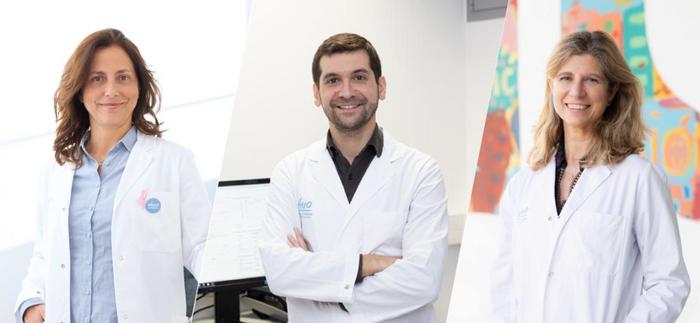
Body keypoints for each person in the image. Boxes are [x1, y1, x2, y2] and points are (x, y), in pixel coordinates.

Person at [490, 30, 690, 323]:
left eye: (592, 80)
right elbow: (504, 285)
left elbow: (670, 283)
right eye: (566, 78)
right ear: (552, 85)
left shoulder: (638, 179)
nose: (576, 92)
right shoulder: (524, 184)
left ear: (611, 93)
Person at [14, 28, 211, 323]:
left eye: (123, 77)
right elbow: (45, 255)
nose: (111, 90)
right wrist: (31, 303)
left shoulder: (174, 162)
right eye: (97, 79)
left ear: (139, 87)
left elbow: (201, 247)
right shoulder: (57, 169)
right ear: (80, 90)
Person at [258, 33, 448, 322]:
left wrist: (317, 284)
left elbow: (423, 281)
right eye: (333, 80)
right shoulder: (290, 172)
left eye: (359, 77)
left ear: (380, 87)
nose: (346, 92)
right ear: (316, 93)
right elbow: (280, 273)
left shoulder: (422, 172)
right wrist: (368, 264)